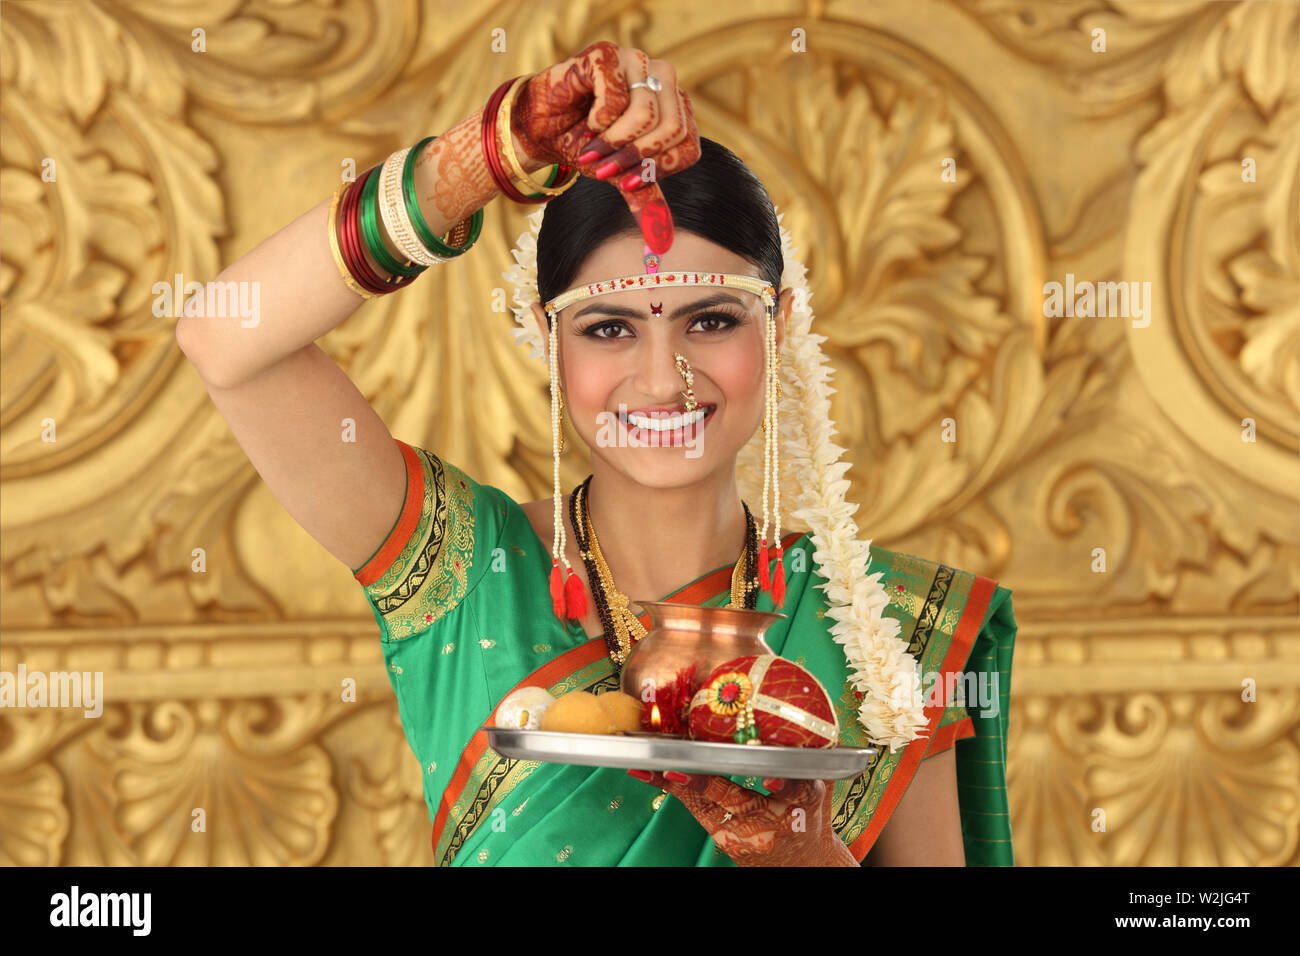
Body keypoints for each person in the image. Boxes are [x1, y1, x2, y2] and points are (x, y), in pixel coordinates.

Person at [177, 40, 1016, 867]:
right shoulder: (462, 573)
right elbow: (226, 340)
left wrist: (801, 857)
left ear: (780, 325)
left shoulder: (878, 635)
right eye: (610, 329)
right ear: (547, 338)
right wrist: (490, 157)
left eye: (712, 321)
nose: (662, 381)